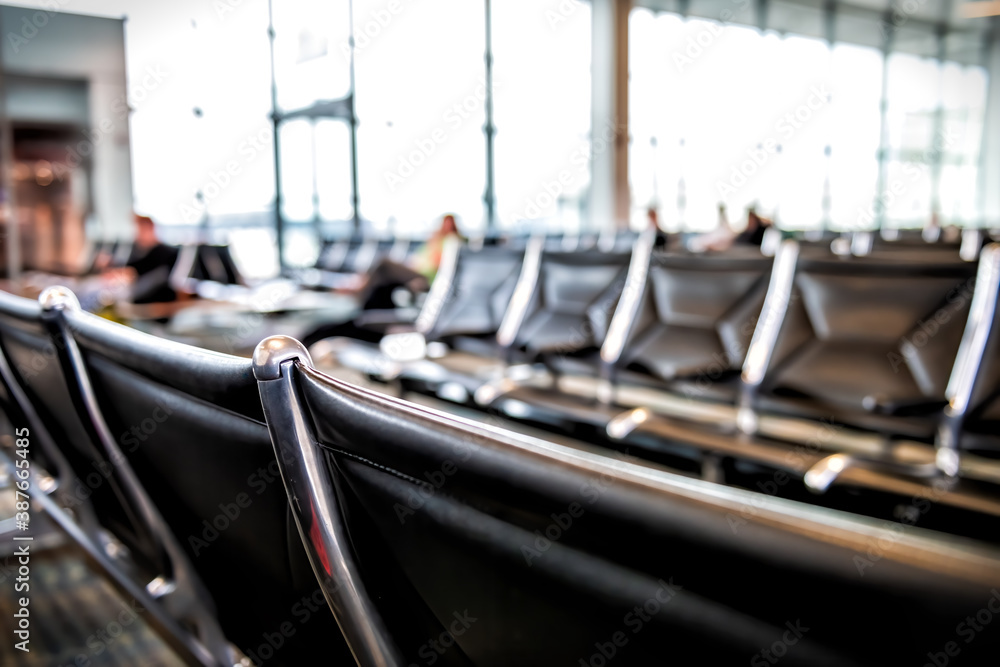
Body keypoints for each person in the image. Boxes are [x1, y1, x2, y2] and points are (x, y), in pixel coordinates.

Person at [123, 214, 181, 304]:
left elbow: (161, 277)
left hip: (157, 298)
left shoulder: (164, 252)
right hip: (143, 294)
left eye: (140, 230)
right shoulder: (139, 250)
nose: (137, 235)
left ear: (150, 229)